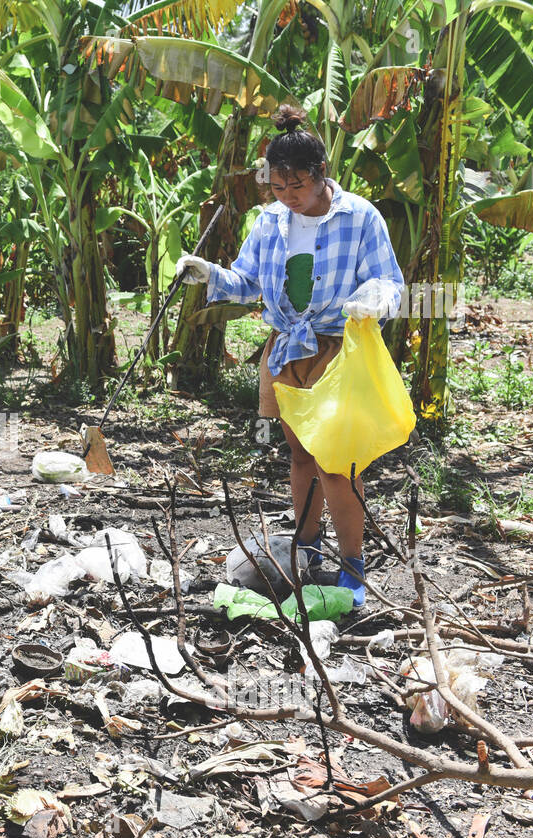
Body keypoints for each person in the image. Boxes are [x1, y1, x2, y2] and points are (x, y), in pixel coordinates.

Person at [176, 105, 405, 608]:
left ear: (321, 174)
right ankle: (306, 550)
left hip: (336, 352)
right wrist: (209, 274)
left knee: (337, 464)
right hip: (285, 351)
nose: (288, 198)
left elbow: (390, 281)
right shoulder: (270, 222)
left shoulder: (360, 216)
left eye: (296, 188)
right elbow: (248, 283)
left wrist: (374, 300)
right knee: (301, 456)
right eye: (277, 189)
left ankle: (353, 564)